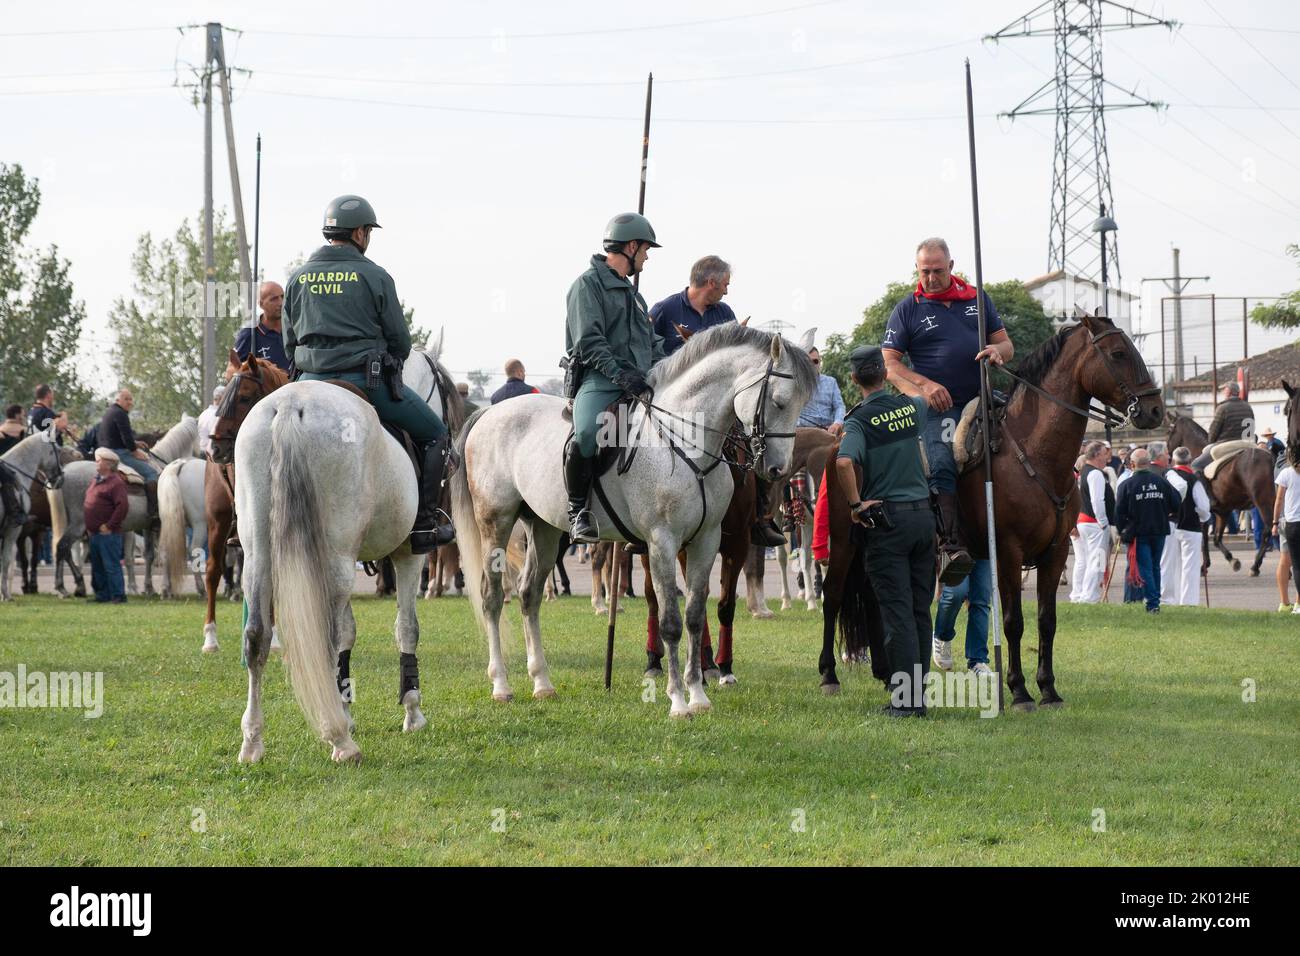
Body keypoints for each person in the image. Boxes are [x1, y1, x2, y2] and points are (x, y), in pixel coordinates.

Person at [284, 194, 453, 554]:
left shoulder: (297, 278)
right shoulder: (375, 275)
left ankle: (242, 521)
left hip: (307, 383)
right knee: (436, 433)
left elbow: (289, 341)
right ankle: (425, 524)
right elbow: (400, 341)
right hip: (364, 381)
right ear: (360, 233)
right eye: (368, 232)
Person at [882, 237, 1013, 584]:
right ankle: (951, 543)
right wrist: (925, 387)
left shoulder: (976, 298)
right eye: (924, 271)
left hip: (982, 397)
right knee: (942, 459)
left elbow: (1006, 343)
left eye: (937, 270)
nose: (931, 277)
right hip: (939, 406)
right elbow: (890, 366)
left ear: (951, 267)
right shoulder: (908, 308)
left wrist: (997, 352)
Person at [835, 344, 935, 717]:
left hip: (888, 523)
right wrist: (896, 375)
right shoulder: (910, 408)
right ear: (882, 373)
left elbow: (844, 462)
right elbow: (921, 394)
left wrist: (856, 504)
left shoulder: (858, 420)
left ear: (853, 379)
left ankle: (907, 703)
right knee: (920, 610)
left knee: (897, 614)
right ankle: (918, 694)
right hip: (924, 519)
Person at [563, 212, 664, 543]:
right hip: (601, 381)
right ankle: (578, 511)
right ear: (631, 246)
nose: (647, 257)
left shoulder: (635, 297)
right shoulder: (586, 285)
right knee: (590, 432)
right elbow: (590, 343)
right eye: (646, 249)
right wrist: (623, 375)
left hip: (642, 383)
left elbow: (654, 345)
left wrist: (671, 369)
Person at [1114, 448, 1181, 613]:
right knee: (1155, 566)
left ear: (1132, 464)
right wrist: (1166, 511)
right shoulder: (1160, 481)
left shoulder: (1126, 485)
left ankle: (1153, 603)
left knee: (1145, 567)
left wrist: (1122, 530)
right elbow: (1177, 501)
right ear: (1149, 462)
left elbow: (1119, 512)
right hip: (1159, 529)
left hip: (1139, 532)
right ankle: (1155, 600)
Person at [97, 388, 160, 532]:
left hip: (106, 450)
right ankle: (153, 513)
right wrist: (135, 451)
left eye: (131, 399)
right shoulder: (121, 414)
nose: (130, 402)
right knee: (151, 473)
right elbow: (126, 439)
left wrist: (135, 443)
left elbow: (119, 436)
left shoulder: (110, 412)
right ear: (118, 400)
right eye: (126, 399)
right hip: (119, 454)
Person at [649, 255, 736, 357]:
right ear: (711, 283)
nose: (726, 292)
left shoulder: (725, 313)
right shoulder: (664, 310)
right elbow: (643, 349)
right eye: (725, 285)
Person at [932, 558, 994, 679]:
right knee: (955, 593)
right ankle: (942, 636)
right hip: (957, 545)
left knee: (981, 600)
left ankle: (977, 660)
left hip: (983, 549)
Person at [84, 447, 129, 604]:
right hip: (94, 532)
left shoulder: (116, 483)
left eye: (99, 460)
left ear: (109, 464)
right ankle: (102, 595)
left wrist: (110, 525)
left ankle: (118, 595)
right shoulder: (96, 480)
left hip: (108, 533)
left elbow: (122, 506)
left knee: (111, 565)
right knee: (97, 566)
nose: (96, 462)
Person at [1169, 446, 1212, 607]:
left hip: (1172, 525)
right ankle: (1188, 601)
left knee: (1174, 566)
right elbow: (1203, 506)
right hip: (1190, 527)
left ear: (1174, 460)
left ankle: (1174, 598)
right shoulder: (1193, 479)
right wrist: (1204, 517)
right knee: (1190, 566)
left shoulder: (1168, 476)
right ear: (1190, 460)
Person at [1074, 440, 1115, 604]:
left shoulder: (1086, 472)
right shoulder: (1096, 473)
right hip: (1094, 522)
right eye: (1105, 453)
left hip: (1085, 521)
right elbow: (1098, 500)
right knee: (1096, 561)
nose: (1107, 457)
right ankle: (1089, 596)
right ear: (1098, 455)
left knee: (1085, 560)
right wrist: (1103, 522)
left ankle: (1081, 594)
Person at [234, 281, 291, 372]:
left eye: (282, 297)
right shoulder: (249, 333)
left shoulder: (295, 327)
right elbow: (232, 369)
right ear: (261, 304)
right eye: (274, 299)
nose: (281, 303)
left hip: (299, 385)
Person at [1271, 458, 1300, 615]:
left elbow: (1279, 499)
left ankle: (1284, 602)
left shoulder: (1285, 473)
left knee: (1285, 561)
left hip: (1287, 521)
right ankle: (1298, 603)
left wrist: (1275, 522)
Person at [0, 403, 29, 530]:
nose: (23, 417)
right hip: (11, 466)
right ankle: (15, 512)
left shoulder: (1, 428)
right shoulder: (22, 431)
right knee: (8, 477)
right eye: (22, 414)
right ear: (17, 415)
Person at [196, 384, 226, 458]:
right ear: (221, 398)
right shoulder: (219, 416)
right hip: (210, 456)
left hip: (200, 453)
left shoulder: (203, 414)